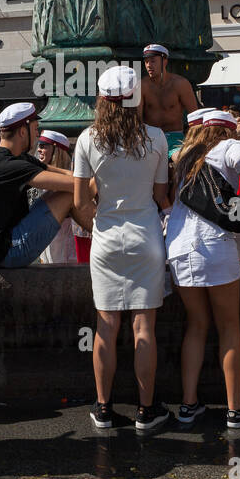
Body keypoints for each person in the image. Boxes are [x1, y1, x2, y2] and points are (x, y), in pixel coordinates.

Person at [73, 65, 171, 432]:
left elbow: (81, 201)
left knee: (106, 326)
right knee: (144, 327)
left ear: (101, 100)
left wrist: (99, 222)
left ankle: (103, 408)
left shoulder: (87, 140)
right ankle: (147, 411)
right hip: (146, 236)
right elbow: (160, 196)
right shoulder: (156, 138)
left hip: (107, 240)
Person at [166, 109, 240, 428]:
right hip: (214, 244)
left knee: (196, 324)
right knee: (229, 327)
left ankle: (188, 404)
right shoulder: (231, 146)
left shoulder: (183, 155)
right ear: (229, 131)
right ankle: (235, 409)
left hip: (179, 247)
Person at [0, 102, 93, 269]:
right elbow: (76, 185)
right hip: (4, 254)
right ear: (23, 131)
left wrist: (90, 181)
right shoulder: (8, 165)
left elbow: (65, 174)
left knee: (68, 191)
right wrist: (104, 182)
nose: (37, 135)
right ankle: (111, 239)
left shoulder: (8, 157)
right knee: (68, 195)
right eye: (35, 128)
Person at [139, 43, 198, 157]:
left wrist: (193, 140)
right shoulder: (142, 86)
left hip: (175, 138)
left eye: (153, 61)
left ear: (164, 61)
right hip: (150, 139)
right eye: (146, 62)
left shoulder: (180, 84)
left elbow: (195, 116)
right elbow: (137, 119)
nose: (149, 65)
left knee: (180, 159)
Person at [33, 130, 82, 264]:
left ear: (57, 151)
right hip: (47, 240)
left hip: (62, 241)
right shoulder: (39, 176)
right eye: (39, 146)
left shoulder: (69, 180)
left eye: (44, 146)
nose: (39, 149)